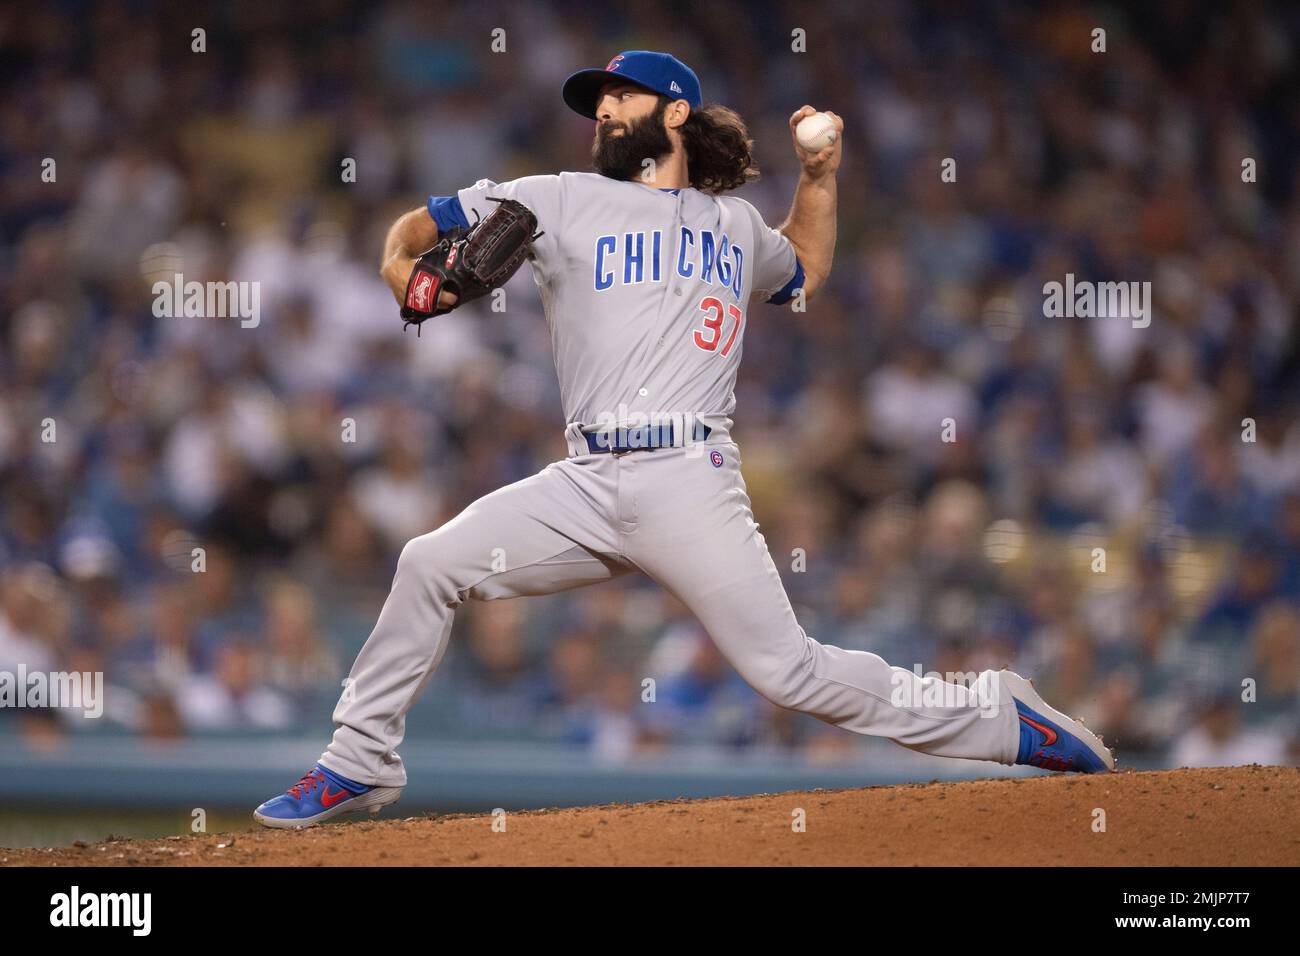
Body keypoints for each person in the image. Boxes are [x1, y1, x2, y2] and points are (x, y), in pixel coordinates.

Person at [254, 50, 1114, 828]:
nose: (600, 112)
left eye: (619, 97)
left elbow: (805, 269)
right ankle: (359, 762)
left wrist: (819, 175)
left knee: (791, 674)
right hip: (584, 483)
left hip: (689, 477)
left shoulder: (733, 225)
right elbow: (413, 229)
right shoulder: (555, 197)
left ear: (673, 115)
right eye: (596, 102)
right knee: (428, 564)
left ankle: (1002, 717)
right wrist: (407, 275)